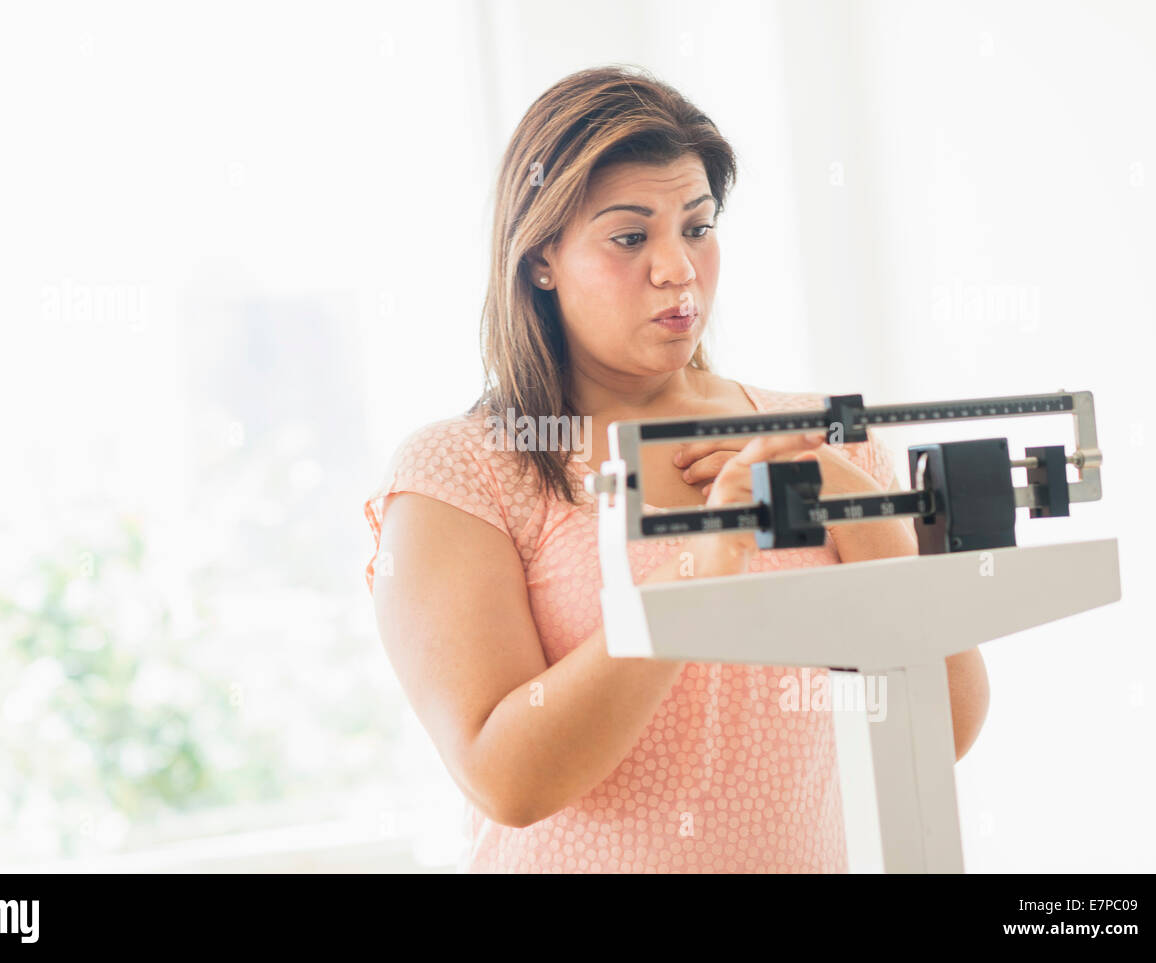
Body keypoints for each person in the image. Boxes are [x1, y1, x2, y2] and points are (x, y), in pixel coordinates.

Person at [363, 65, 989, 873]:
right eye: (631, 236)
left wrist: (855, 505)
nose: (678, 269)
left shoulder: (821, 438)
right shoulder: (462, 471)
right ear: (540, 259)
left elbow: (945, 725)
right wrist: (697, 566)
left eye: (697, 226)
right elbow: (508, 778)